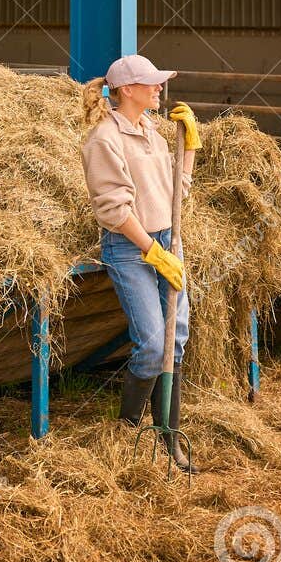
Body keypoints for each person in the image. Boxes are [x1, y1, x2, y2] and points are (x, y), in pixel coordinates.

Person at [80, 53, 202, 470]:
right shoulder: (103, 138)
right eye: (151, 83)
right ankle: (128, 430)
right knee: (152, 344)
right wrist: (151, 251)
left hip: (169, 238)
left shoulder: (152, 130)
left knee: (176, 338)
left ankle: (169, 437)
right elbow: (112, 208)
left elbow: (176, 192)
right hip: (130, 247)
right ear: (126, 90)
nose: (159, 88)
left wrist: (190, 147)